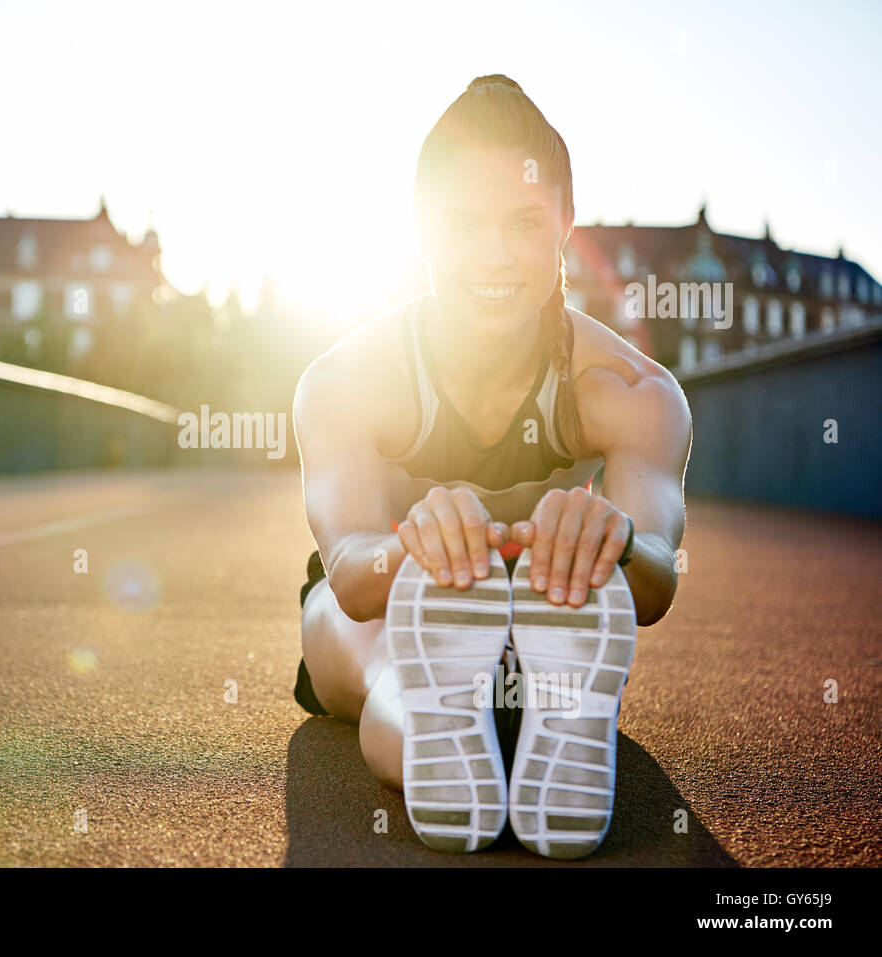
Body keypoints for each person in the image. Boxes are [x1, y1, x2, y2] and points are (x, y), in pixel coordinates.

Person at [292, 74, 691, 859]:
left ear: (567, 224)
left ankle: (505, 713)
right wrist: (416, 546)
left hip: (552, 596)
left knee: (583, 604)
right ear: (420, 229)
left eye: (523, 222)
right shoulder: (348, 381)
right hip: (391, 598)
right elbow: (347, 568)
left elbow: (655, 580)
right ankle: (433, 720)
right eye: (463, 223)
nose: (494, 254)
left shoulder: (633, 392)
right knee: (377, 637)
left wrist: (608, 538)